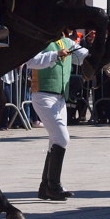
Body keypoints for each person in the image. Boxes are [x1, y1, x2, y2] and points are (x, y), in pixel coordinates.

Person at [25, 33, 89, 200]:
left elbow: (84, 56)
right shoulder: (39, 40)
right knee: (62, 138)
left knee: (55, 139)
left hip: (60, 96)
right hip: (43, 95)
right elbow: (31, 61)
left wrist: (108, 52)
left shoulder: (67, 42)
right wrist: (56, 54)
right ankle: (54, 185)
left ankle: (46, 186)